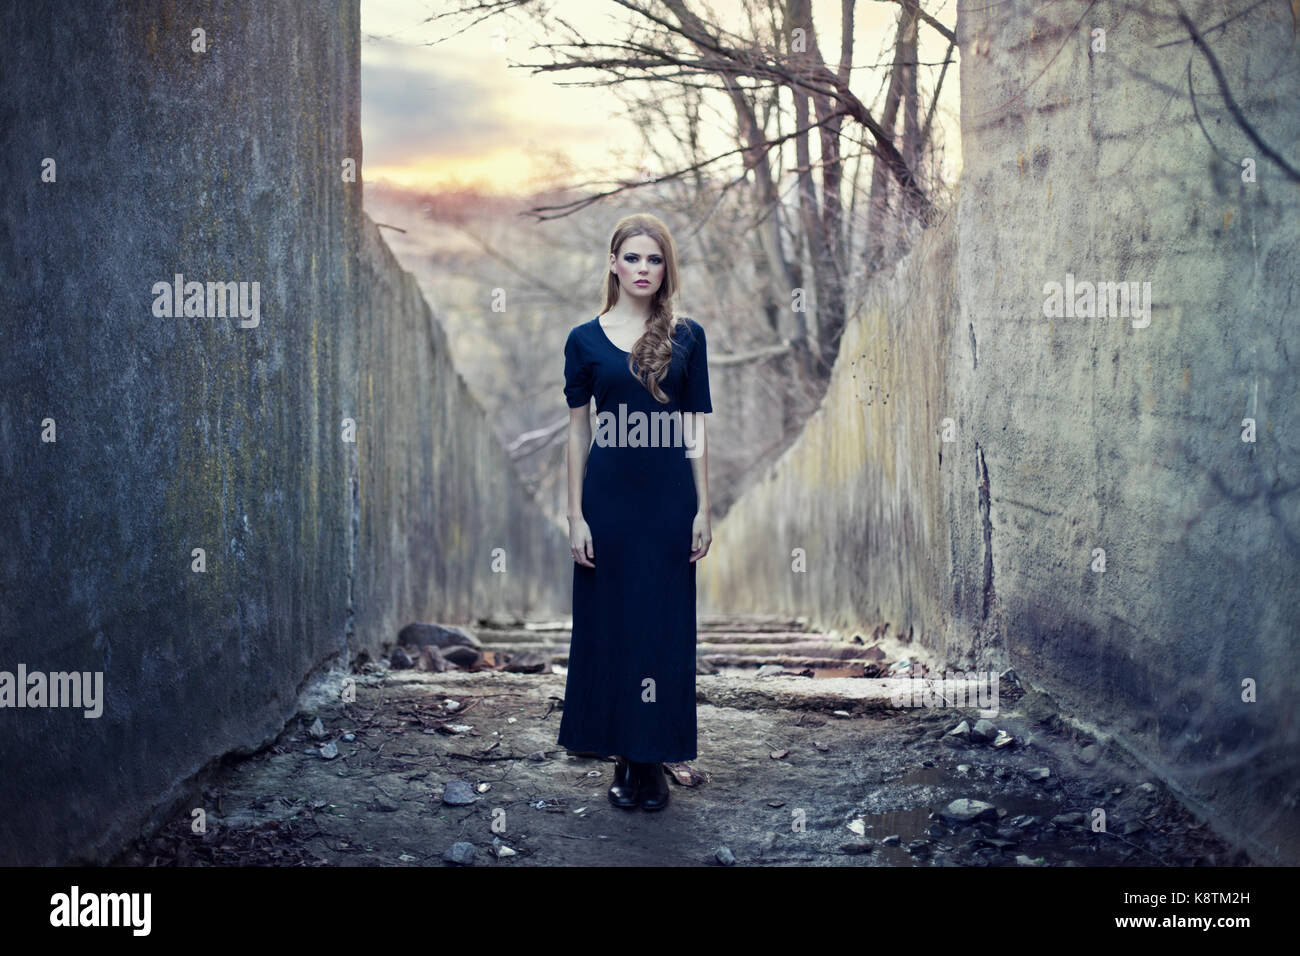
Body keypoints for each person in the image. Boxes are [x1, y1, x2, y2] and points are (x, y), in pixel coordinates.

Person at [557, 213, 713, 812]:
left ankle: (653, 758)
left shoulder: (688, 337)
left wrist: (703, 508)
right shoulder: (583, 340)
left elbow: (696, 429)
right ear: (614, 264)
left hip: (669, 502)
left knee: (663, 625)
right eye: (634, 258)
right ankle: (623, 757)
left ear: (665, 268)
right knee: (613, 626)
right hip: (609, 503)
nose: (644, 269)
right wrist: (575, 514)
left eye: (655, 260)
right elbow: (576, 434)